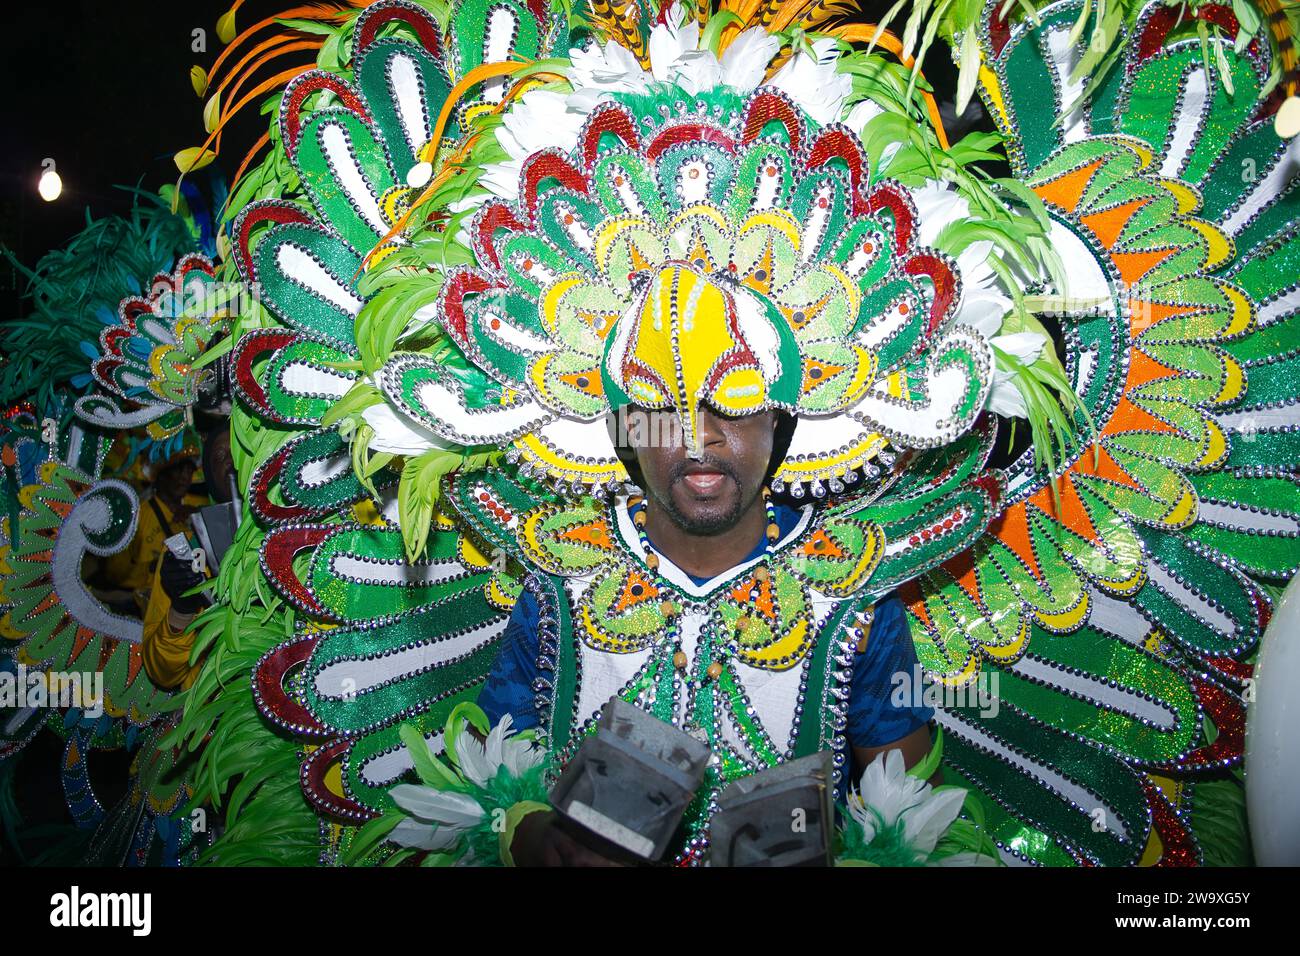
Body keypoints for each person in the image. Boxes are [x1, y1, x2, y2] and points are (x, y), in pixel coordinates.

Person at [480, 403, 935, 866]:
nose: (701, 435)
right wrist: (523, 833)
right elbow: (484, 778)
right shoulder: (563, 576)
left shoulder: (852, 596)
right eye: (666, 407)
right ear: (630, 426)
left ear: (776, 420)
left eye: (734, 406)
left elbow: (912, 827)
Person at [140, 424, 236, 691]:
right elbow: (161, 671)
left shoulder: (293, 538)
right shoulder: (191, 548)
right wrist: (181, 610)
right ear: (209, 472)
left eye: (241, 450)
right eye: (219, 456)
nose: (231, 461)